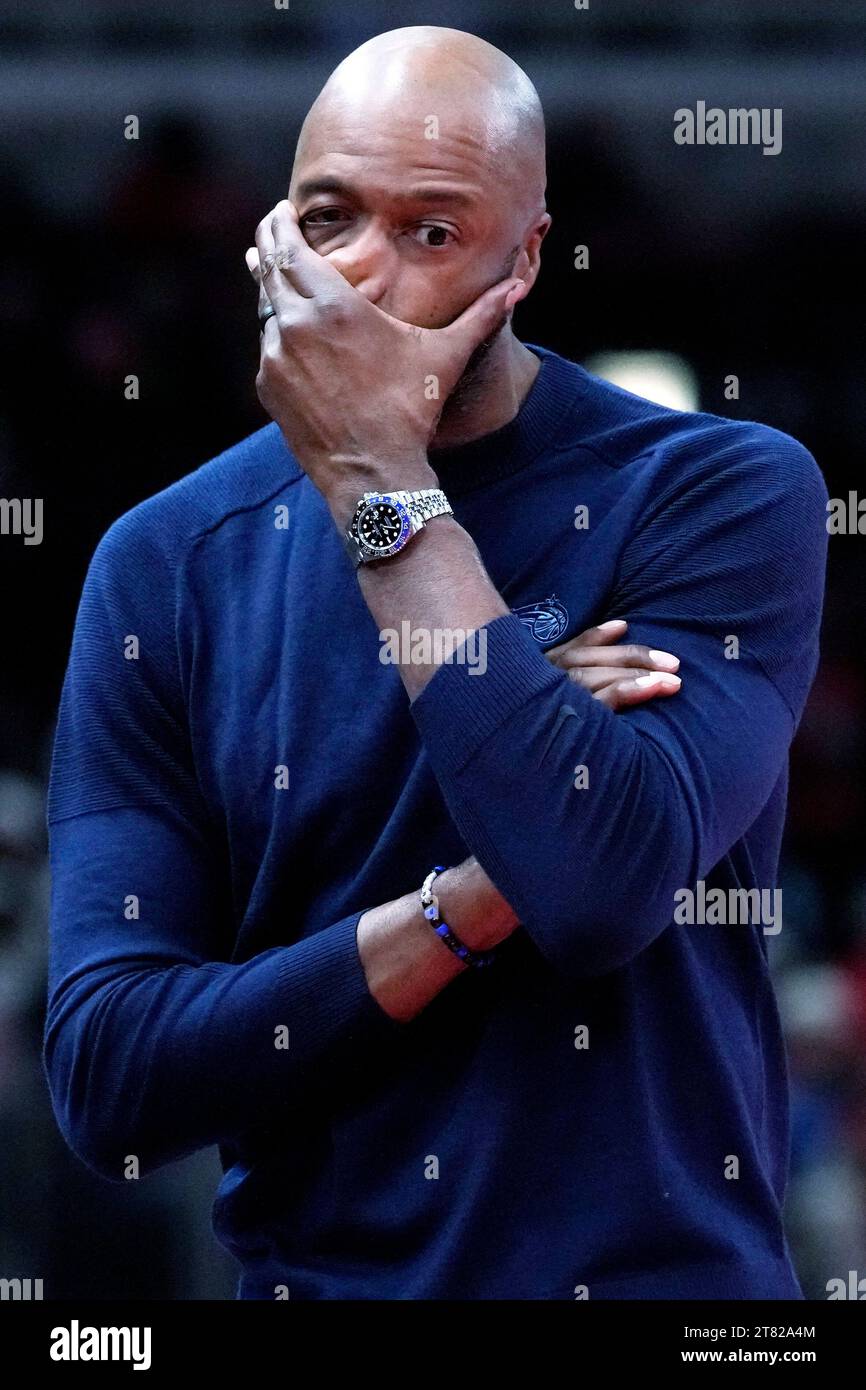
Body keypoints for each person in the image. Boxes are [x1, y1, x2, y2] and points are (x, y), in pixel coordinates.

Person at [44, 26, 828, 1300]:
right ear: (271, 238)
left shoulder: (714, 493)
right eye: (328, 217)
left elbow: (588, 882)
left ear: (522, 260)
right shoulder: (168, 563)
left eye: (430, 233)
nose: (358, 276)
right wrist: (462, 901)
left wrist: (374, 477)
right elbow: (113, 1080)